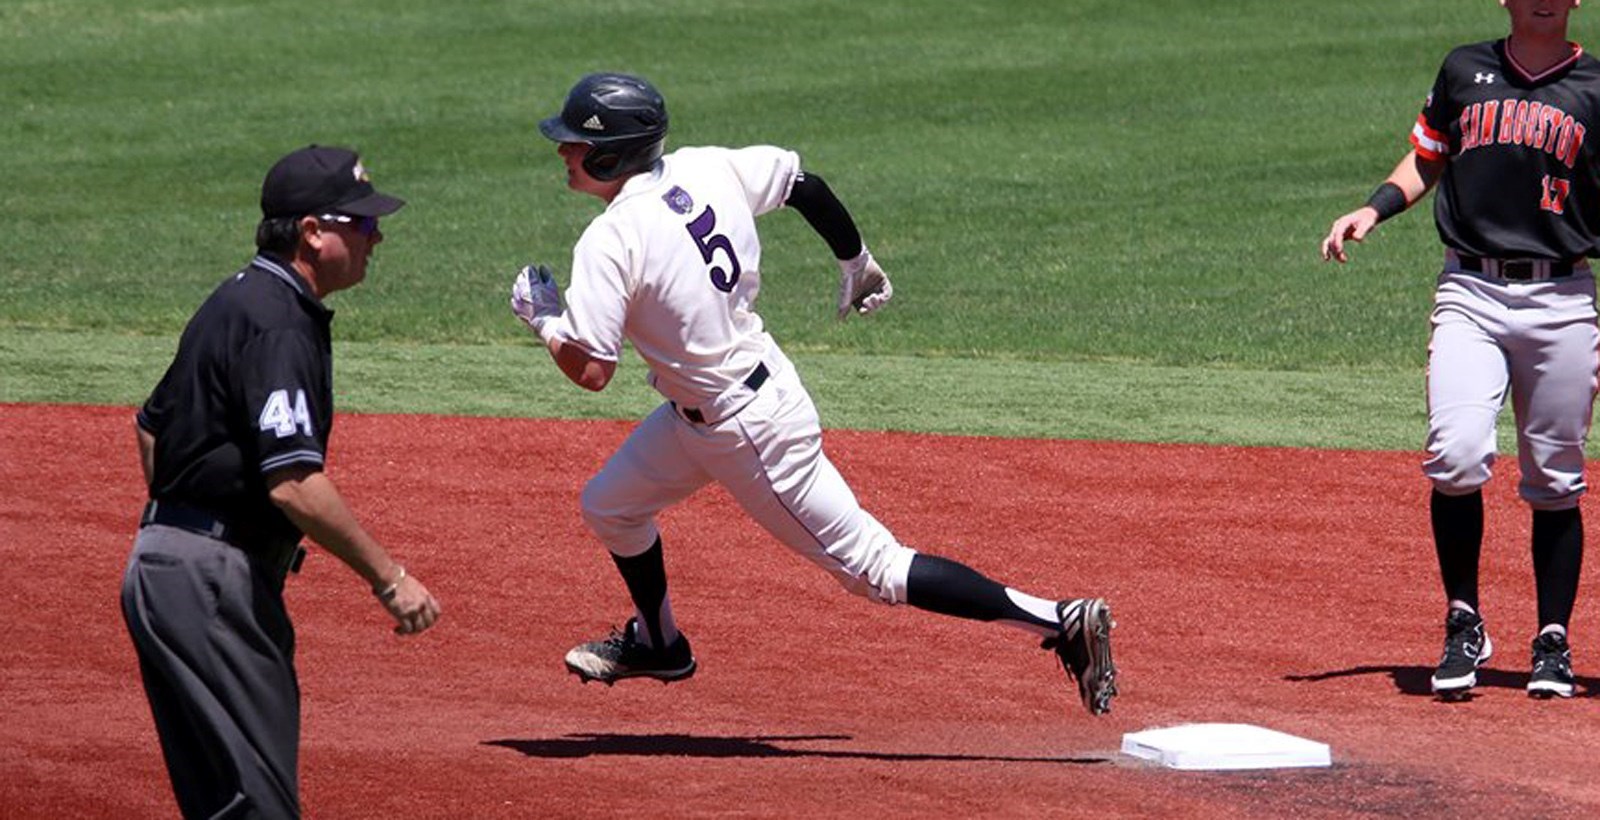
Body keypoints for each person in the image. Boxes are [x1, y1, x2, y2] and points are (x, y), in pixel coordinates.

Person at [510, 72, 1117, 716]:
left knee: (876, 569)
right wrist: (856, 262)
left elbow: (592, 372)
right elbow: (803, 184)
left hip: (745, 431)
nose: (563, 151)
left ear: (611, 154)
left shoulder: (610, 240)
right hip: (726, 403)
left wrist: (543, 318)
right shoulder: (703, 168)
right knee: (610, 506)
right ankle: (660, 643)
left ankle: (1059, 620)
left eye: (576, 143)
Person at [122, 144, 442, 818]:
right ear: (313, 231)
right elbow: (294, 482)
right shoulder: (279, 322)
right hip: (211, 584)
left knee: (221, 803)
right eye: (362, 223)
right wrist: (390, 578)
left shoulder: (237, 299)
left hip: (165, 570)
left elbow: (151, 427)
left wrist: (183, 526)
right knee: (258, 806)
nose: (376, 237)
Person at [1321, 0, 1598, 700]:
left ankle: (1553, 641)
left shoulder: (1596, 87)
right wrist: (1374, 208)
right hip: (1470, 290)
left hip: (1563, 297)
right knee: (1457, 454)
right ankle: (1463, 620)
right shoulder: (1464, 69)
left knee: (1556, 479)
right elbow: (1429, 155)